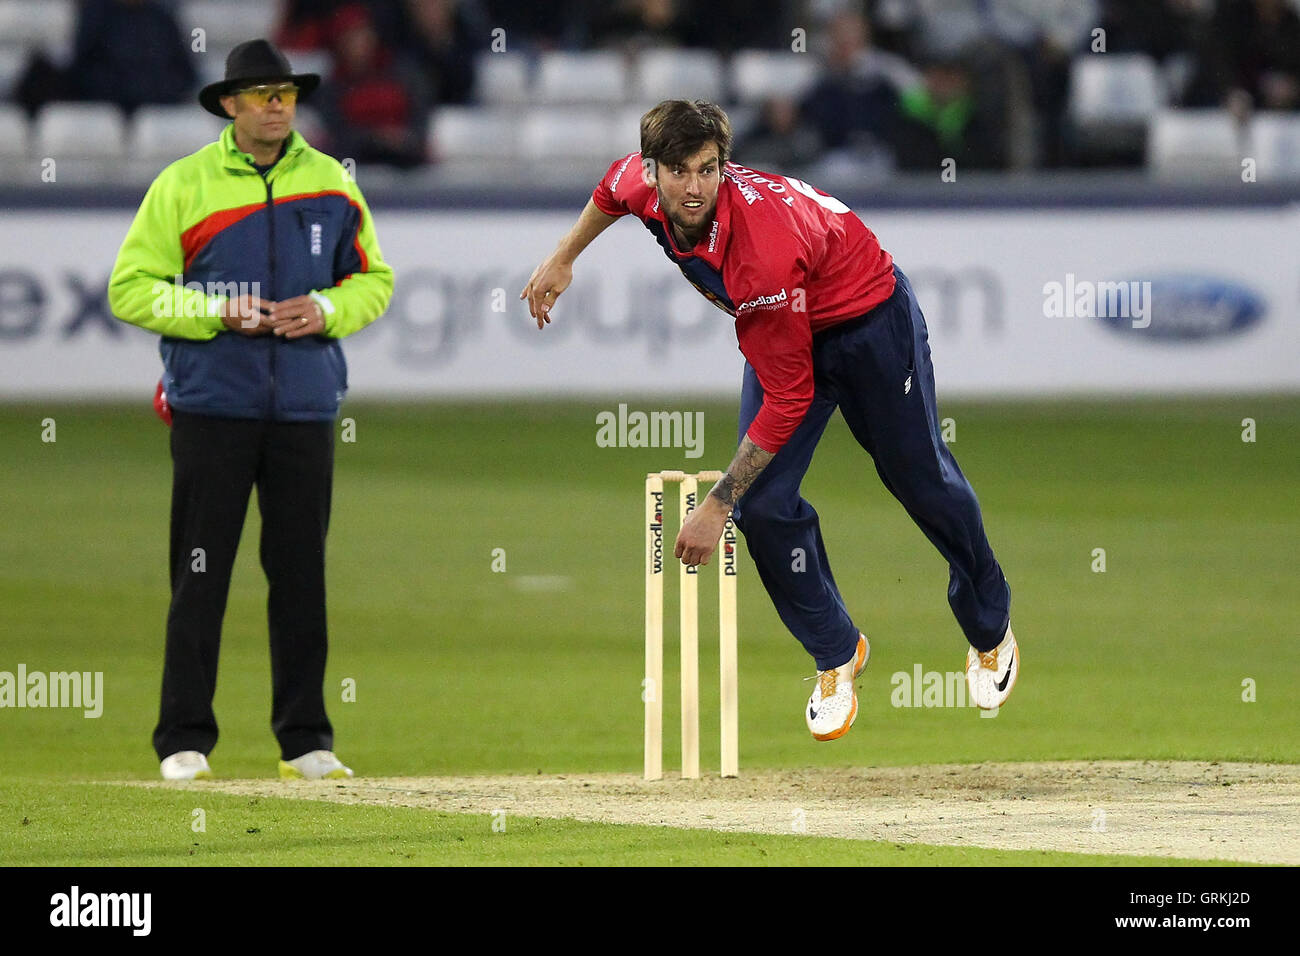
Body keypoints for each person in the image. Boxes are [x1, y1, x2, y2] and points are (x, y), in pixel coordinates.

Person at [521, 100, 1016, 741]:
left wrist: (715, 503)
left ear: (723, 166)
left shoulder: (760, 250)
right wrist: (564, 257)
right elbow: (608, 193)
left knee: (919, 480)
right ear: (654, 170)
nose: (694, 187)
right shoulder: (638, 182)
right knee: (764, 504)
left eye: (708, 170)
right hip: (787, 333)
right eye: (678, 171)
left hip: (868, 322)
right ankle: (837, 652)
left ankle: (989, 626)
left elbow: (788, 399)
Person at [108, 39, 394, 781]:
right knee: (199, 575)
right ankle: (183, 740)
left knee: (300, 576)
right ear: (230, 105)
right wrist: (213, 311)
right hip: (213, 406)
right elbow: (130, 288)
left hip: (302, 407)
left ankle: (305, 740)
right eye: (262, 95)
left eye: (286, 94)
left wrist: (327, 310)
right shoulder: (185, 184)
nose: (277, 106)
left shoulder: (331, 182)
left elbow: (374, 281)